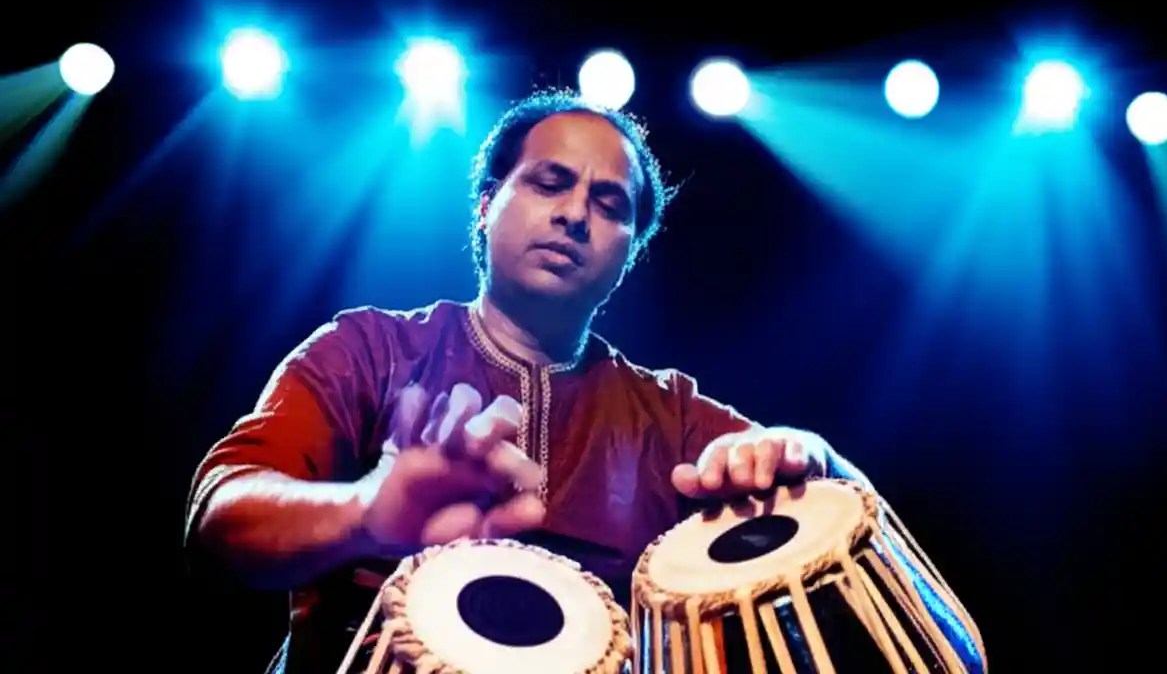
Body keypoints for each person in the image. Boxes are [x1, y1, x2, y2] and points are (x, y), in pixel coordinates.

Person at [184, 89, 872, 672]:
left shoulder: (673, 415)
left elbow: (846, 508)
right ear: (485, 203)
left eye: (609, 205)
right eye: (549, 183)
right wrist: (366, 512)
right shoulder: (368, 349)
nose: (575, 215)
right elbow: (222, 513)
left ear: (629, 253)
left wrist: (809, 454)